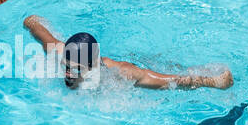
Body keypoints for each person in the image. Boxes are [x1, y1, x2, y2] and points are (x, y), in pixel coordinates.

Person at [23, 15, 233, 91]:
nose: (67, 73)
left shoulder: (119, 74)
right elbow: (40, 31)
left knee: (165, 68)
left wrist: (213, 82)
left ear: (92, 66)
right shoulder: (60, 53)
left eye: (75, 69)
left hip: (135, 62)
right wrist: (31, 21)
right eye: (66, 66)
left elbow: (169, 81)